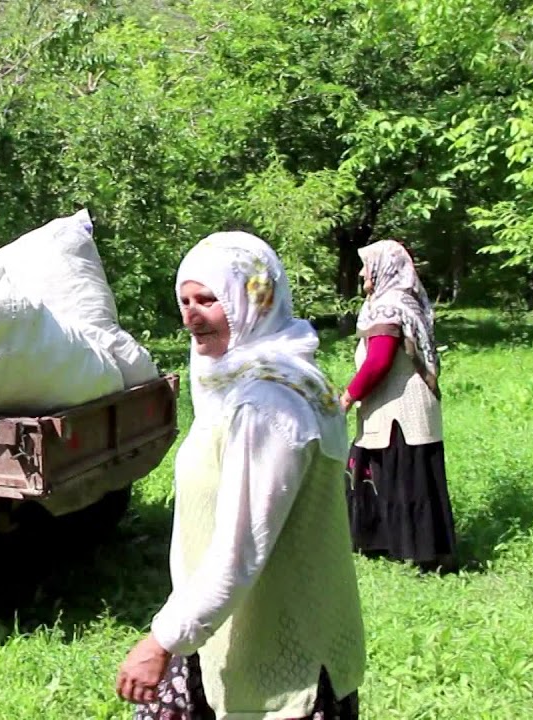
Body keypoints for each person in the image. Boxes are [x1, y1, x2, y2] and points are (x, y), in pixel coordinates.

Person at [117, 232, 365, 720]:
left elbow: (240, 549)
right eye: (184, 300)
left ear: (253, 299)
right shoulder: (266, 379)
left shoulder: (268, 403)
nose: (190, 314)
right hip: (223, 632)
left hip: (274, 652)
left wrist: (161, 643)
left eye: (207, 299)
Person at [339, 240, 456, 573]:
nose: (362, 271)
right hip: (407, 408)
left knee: (400, 476)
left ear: (383, 268)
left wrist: (348, 396)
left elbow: (379, 360)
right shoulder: (406, 301)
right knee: (392, 473)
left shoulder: (389, 305)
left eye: (367, 265)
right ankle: (394, 545)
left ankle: (415, 553)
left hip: (398, 410)